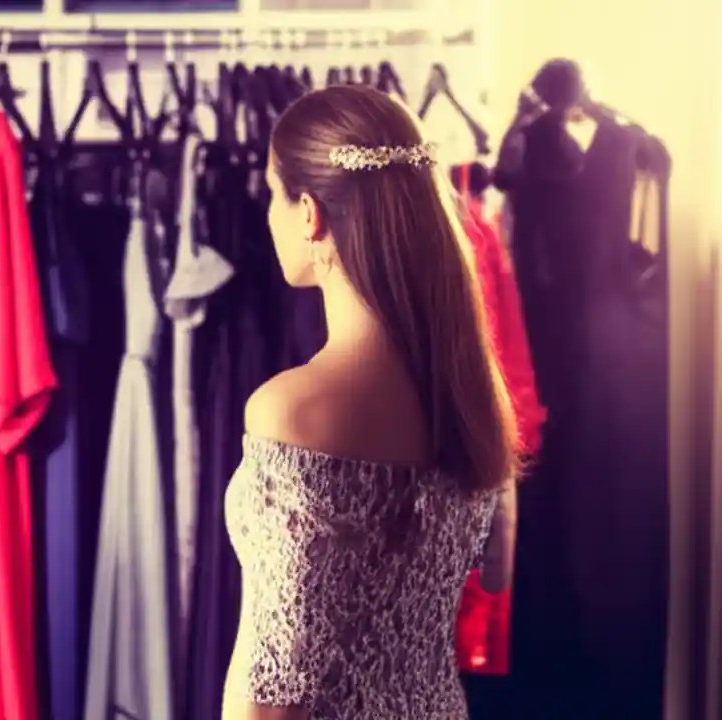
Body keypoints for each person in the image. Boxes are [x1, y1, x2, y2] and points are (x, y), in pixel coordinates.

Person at [221, 85, 519, 719]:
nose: (269, 217)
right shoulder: (472, 398)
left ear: (309, 213)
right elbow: (496, 574)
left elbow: (272, 681)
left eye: (272, 194)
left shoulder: (291, 413)